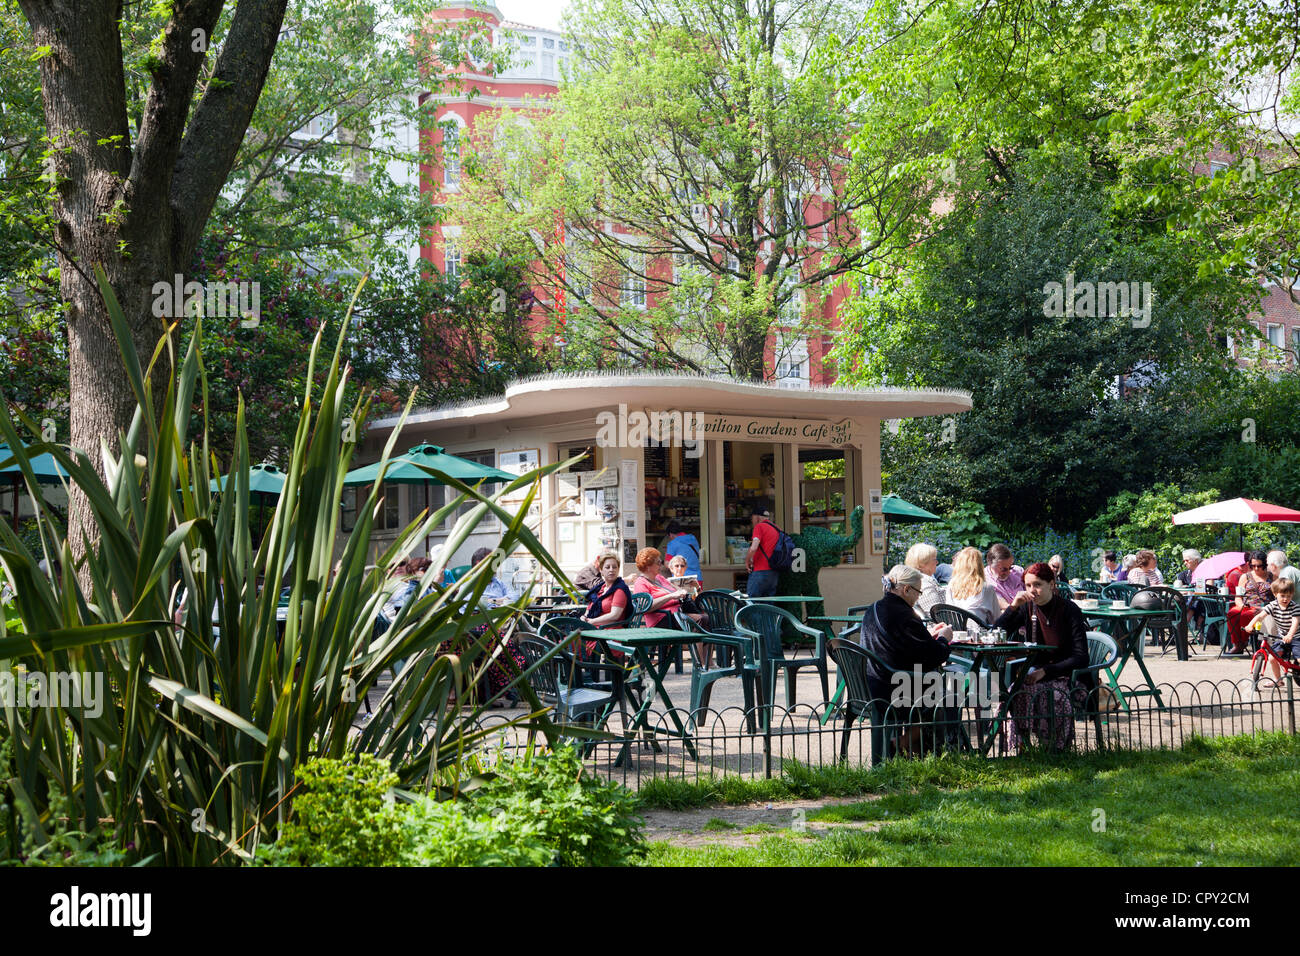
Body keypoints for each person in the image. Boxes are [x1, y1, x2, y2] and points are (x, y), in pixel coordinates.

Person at [991, 562, 1092, 752]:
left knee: (1046, 692)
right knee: (1015, 690)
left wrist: (1045, 671)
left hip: (1067, 673)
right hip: (1035, 670)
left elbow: (1081, 657)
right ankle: (1022, 745)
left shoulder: (1069, 610)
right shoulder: (1027, 608)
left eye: (1037, 585)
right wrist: (1013, 607)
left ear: (1051, 584)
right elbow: (997, 631)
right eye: (1028, 586)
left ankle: (1054, 747)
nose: (1032, 591)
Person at [857, 564, 956, 755]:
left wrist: (927, 635)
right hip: (896, 690)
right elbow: (933, 657)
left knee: (938, 688)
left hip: (872, 685)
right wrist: (944, 638)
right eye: (918, 592)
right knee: (952, 693)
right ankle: (911, 746)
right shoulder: (904, 614)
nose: (919, 597)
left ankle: (910, 748)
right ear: (906, 589)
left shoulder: (874, 608)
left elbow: (903, 645)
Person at [630, 547, 698, 628]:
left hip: (679, 613)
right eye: (658, 563)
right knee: (701, 620)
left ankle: (697, 640)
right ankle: (698, 640)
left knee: (706, 618)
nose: (661, 565)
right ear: (648, 566)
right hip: (662, 620)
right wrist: (670, 596)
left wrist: (683, 591)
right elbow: (645, 607)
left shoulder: (659, 578)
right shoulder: (641, 583)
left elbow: (677, 589)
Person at [1227, 550, 1272, 654]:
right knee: (1232, 613)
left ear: (1265, 564)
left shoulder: (1271, 576)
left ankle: (1243, 642)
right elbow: (1238, 597)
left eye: (1259, 566)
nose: (1256, 568)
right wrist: (1241, 605)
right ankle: (1237, 643)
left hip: (1264, 607)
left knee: (1246, 615)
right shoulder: (1245, 577)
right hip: (1247, 605)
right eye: (1253, 565)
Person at [944, 546, 1001, 625]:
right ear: (979, 565)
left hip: (956, 633)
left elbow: (948, 613)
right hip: (978, 634)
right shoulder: (986, 588)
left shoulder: (951, 585)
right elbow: (996, 620)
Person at [1257, 577, 1300, 682]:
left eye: (1288, 596)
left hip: (1297, 637)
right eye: (1282, 596)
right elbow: (1260, 616)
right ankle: (1278, 680)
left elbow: (1295, 623)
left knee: (1299, 659)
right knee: (1273, 658)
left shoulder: (1295, 607)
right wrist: (1249, 625)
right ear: (1275, 594)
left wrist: (1290, 635)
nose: (1285, 599)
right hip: (1282, 638)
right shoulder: (1273, 606)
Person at [744, 505, 781, 597]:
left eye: (752, 518)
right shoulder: (777, 528)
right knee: (768, 605)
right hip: (774, 573)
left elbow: (754, 547)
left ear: (757, 518)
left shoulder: (759, 527)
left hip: (760, 571)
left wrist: (747, 560)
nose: (751, 521)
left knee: (752, 603)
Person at [904, 543, 945, 618]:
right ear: (922, 564)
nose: (937, 562)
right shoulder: (924, 583)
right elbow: (937, 613)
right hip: (939, 627)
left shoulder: (919, 579)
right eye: (934, 559)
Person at [984, 543, 1024, 610]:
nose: (1008, 572)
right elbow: (1005, 607)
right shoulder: (986, 582)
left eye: (1010, 567)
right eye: (1003, 569)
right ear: (991, 564)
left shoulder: (1018, 571)